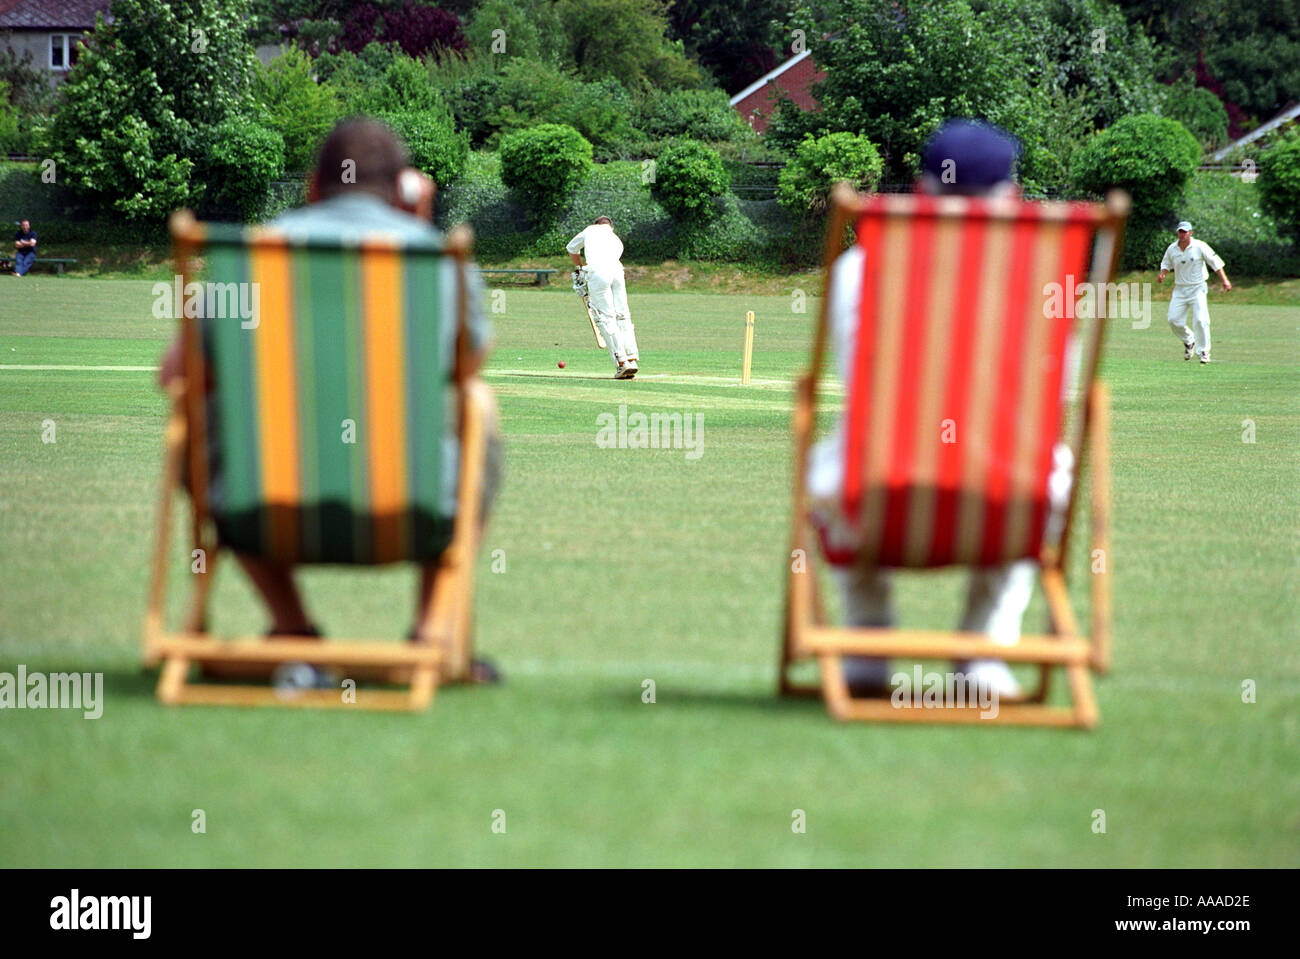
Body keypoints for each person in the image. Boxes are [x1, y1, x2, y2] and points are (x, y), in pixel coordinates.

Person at [159, 118, 502, 681]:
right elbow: (467, 368)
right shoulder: (439, 260)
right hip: (412, 509)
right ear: (404, 188)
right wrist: (415, 225)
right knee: (481, 410)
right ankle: (430, 635)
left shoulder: (247, 255)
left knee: (199, 422)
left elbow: (177, 375)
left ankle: (292, 629)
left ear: (314, 186)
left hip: (259, 507)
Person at [807, 119, 1075, 699]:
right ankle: (984, 650)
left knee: (838, 455)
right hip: (1008, 504)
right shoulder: (1048, 282)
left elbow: (855, 374)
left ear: (924, 190)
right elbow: (1062, 389)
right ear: (1011, 197)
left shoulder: (861, 271)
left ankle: (866, 645)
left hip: (873, 494)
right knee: (1044, 468)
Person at [567, 216, 640, 379]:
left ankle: (621, 362)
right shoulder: (615, 239)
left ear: (596, 224)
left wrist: (580, 268)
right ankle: (632, 358)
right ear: (611, 227)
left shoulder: (590, 230)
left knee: (606, 318)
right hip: (617, 272)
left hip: (598, 273)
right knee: (622, 315)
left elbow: (571, 249)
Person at [1158, 221, 1231, 364]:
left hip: (1198, 288)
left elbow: (1215, 262)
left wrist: (1225, 280)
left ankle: (1204, 351)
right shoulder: (1172, 249)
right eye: (1180, 231)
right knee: (1173, 320)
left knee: (1200, 320)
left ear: (1190, 233)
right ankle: (1189, 340)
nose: (1182, 234)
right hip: (1180, 289)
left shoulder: (1199, 246)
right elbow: (1166, 263)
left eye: (1185, 232)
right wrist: (1163, 274)